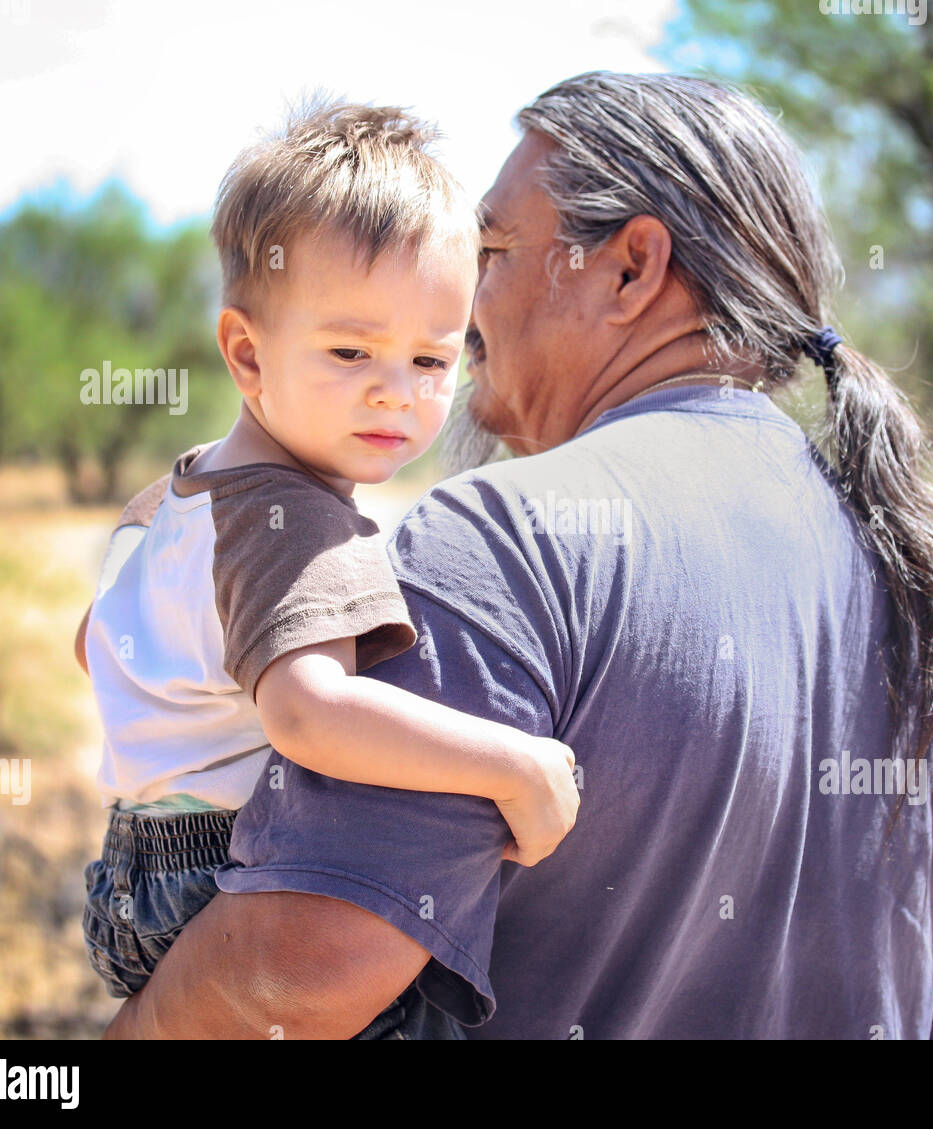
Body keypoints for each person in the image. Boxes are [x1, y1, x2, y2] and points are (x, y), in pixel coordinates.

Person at [104, 71, 933, 1040]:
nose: (461, 305)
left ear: (628, 268)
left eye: (489, 247)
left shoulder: (499, 543)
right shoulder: (932, 595)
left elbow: (298, 976)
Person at [73, 100, 579, 1040]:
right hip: (221, 873)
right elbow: (309, 714)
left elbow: (91, 643)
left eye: (433, 357)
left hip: (125, 875)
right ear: (246, 353)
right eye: (350, 351)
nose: (397, 389)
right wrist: (516, 763)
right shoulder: (294, 517)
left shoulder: (173, 496)